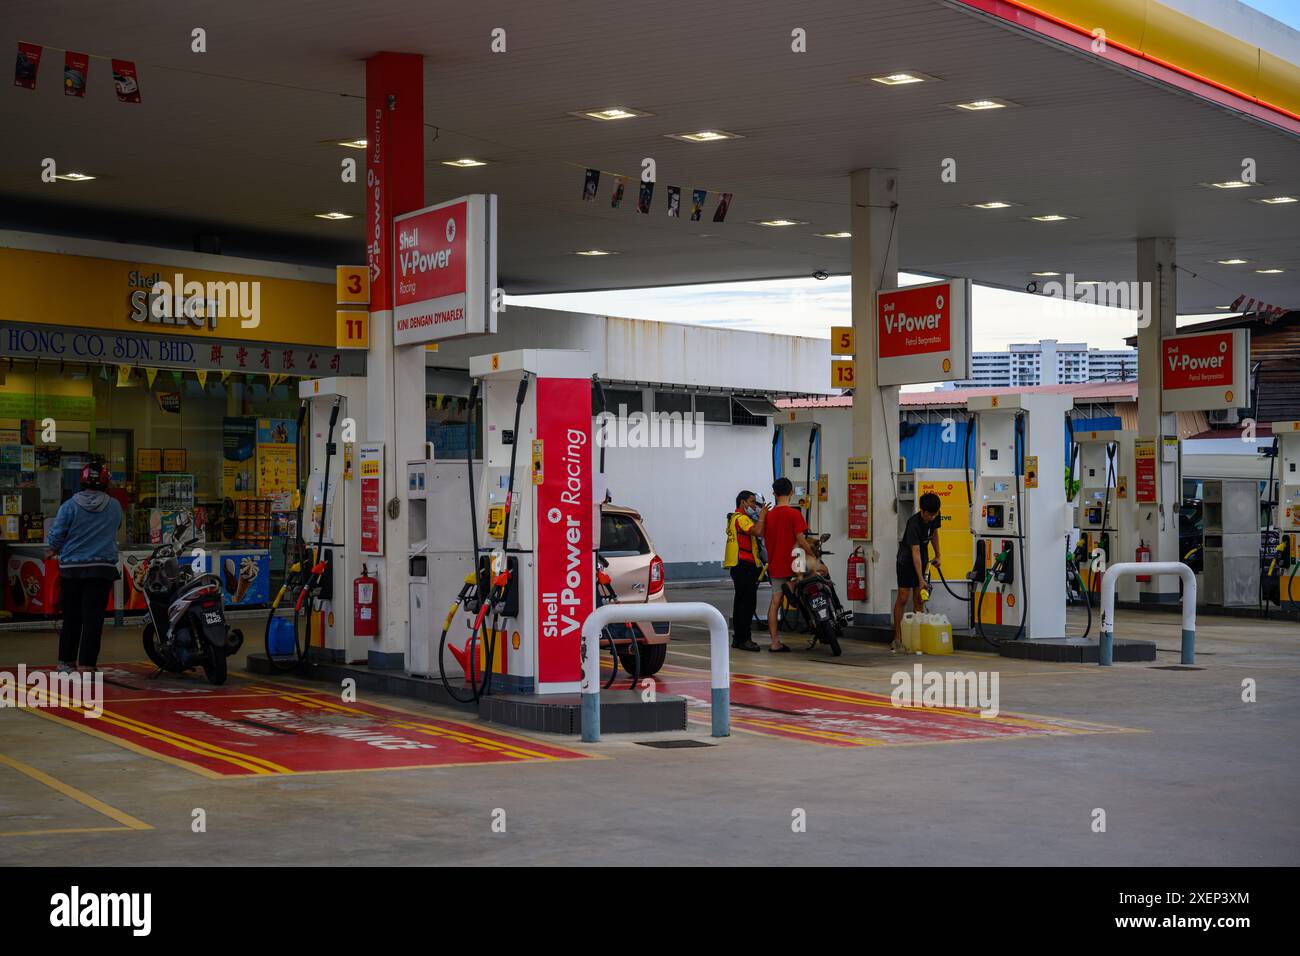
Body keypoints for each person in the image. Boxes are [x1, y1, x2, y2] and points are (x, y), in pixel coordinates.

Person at [47, 461, 123, 673]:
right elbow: (116, 527)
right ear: (106, 481)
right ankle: (88, 665)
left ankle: (66, 662)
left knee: (71, 617)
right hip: (102, 570)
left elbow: (56, 535)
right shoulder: (115, 506)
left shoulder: (69, 506)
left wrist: (53, 548)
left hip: (72, 570)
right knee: (93, 619)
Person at [763, 477, 818, 653]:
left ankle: (774, 642)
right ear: (792, 493)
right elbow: (801, 540)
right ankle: (793, 584)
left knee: (775, 602)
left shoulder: (769, 516)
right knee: (819, 576)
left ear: (774, 494)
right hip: (795, 562)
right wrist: (811, 553)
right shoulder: (795, 514)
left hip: (775, 564)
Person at [893, 491, 943, 653]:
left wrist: (938, 555)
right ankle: (898, 638)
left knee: (919, 599)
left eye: (936, 514)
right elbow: (914, 552)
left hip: (923, 557)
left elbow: (934, 533)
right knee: (903, 597)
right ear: (923, 511)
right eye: (931, 515)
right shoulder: (913, 524)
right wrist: (921, 579)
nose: (934, 517)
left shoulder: (935, 515)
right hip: (906, 561)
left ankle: (917, 638)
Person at [723, 490, 767, 651]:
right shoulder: (741, 519)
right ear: (743, 503)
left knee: (740, 603)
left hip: (741, 565)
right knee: (747, 604)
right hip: (744, 566)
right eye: (752, 502)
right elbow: (757, 531)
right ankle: (744, 639)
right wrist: (762, 516)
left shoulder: (734, 518)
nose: (754, 506)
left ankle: (738, 638)